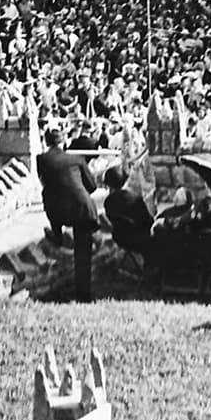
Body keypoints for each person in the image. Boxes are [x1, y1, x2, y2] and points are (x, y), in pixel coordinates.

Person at [37, 126, 99, 302]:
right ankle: (83, 296)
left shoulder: (41, 160)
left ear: (46, 142)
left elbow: (47, 183)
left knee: (49, 195)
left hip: (58, 211)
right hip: (82, 209)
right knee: (83, 255)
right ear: (64, 142)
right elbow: (93, 186)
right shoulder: (76, 159)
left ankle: (57, 235)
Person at [102, 163, 154, 255]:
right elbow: (148, 221)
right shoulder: (135, 198)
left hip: (120, 237)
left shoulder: (108, 202)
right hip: (139, 237)